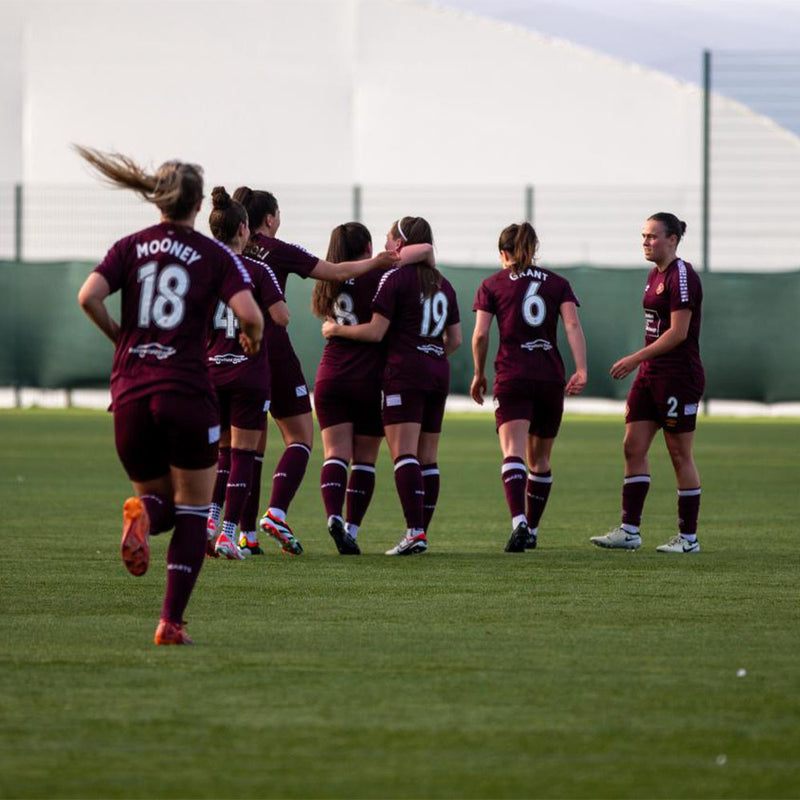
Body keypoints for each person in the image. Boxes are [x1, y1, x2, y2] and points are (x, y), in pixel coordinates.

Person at [74, 146, 263, 645]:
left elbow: (87, 296)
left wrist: (121, 337)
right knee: (194, 512)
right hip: (185, 390)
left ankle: (141, 516)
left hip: (131, 391)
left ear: (158, 201)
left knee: (158, 501)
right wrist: (252, 338)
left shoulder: (129, 246)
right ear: (198, 208)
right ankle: (170, 622)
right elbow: (251, 315)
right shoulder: (215, 255)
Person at [232, 188, 399, 555]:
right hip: (272, 352)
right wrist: (379, 262)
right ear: (270, 219)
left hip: (231, 356)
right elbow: (334, 271)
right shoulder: (276, 252)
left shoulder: (224, 253)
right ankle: (276, 512)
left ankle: (243, 534)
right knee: (300, 438)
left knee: (248, 449)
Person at [322, 216, 462, 556]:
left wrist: (336, 330)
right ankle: (420, 531)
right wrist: (430, 352)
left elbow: (375, 332)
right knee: (429, 458)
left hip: (405, 371)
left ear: (400, 243)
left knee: (405, 454)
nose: (385, 245)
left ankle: (414, 531)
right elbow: (455, 340)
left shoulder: (394, 278)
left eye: (389, 238)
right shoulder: (444, 284)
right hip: (437, 370)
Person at [591, 212, 705, 553]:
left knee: (679, 454)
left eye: (652, 236)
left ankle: (688, 538)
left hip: (678, 377)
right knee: (632, 446)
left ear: (672, 239)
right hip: (650, 376)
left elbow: (678, 333)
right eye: (643, 236)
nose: (645, 242)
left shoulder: (681, 276)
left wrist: (634, 358)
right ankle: (630, 531)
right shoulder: (653, 274)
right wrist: (642, 365)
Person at [471, 222, 588, 552]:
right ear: (534, 249)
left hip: (513, 375)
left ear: (503, 253)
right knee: (541, 460)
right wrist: (581, 369)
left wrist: (479, 373)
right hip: (549, 376)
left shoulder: (492, 284)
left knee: (513, 452)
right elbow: (572, 323)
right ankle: (533, 530)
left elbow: (480, 334)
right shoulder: (558, 283)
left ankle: (518, 522)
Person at [205, 187, 289, 560]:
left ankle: (209, 521)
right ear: (243, 229)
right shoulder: (256, 269)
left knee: (221, 452)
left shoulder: (201, 271)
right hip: (247, 372)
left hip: (211, 371)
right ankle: (226, 534)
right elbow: (281, 317)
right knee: (242, 453)